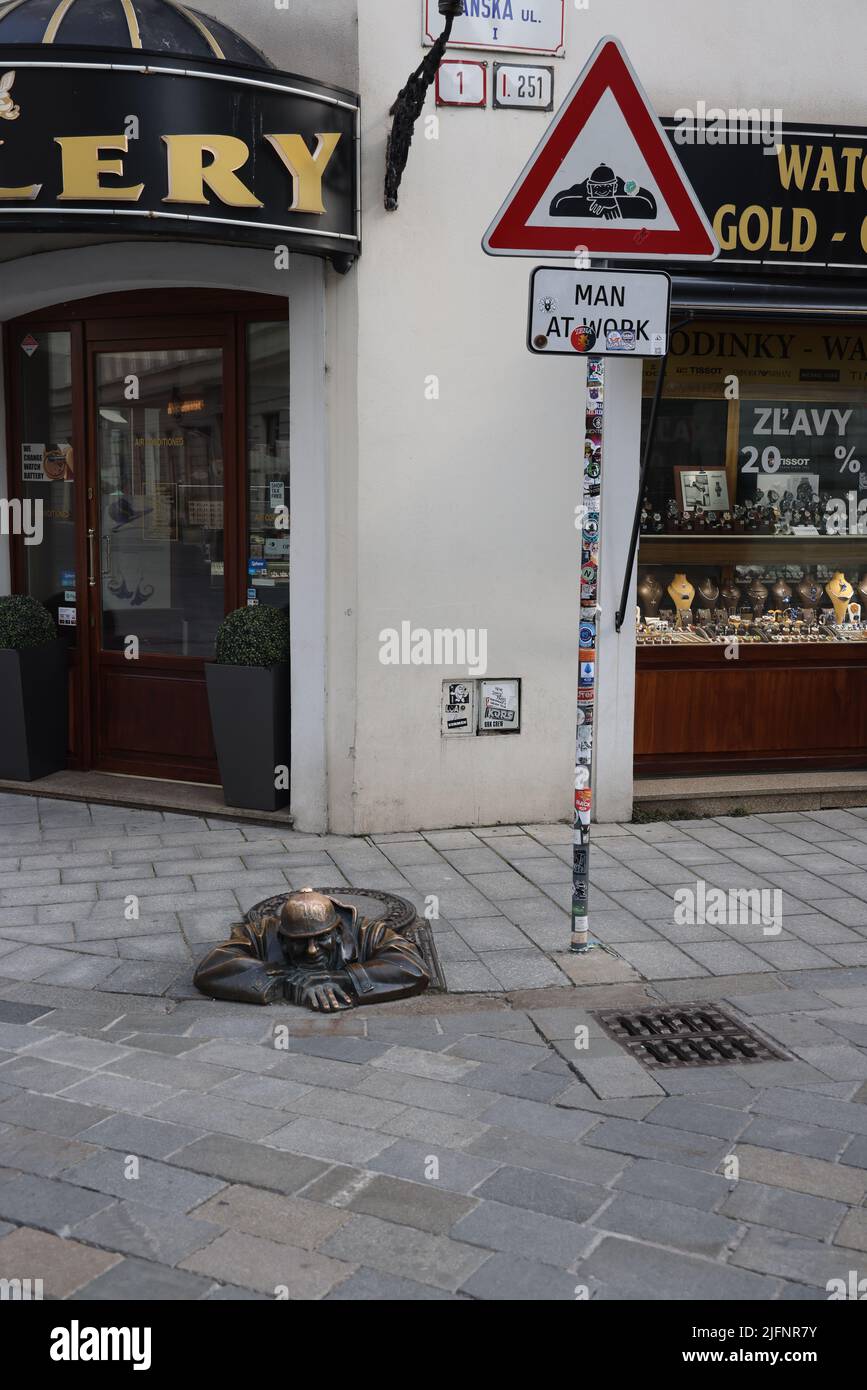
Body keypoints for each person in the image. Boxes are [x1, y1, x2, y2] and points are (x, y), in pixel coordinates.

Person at [193, 888, 430, 1012]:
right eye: (299, 941)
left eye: (322, 938)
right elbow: (212, 967)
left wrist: (340, 978)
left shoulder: (366, 932)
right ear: (283, 938)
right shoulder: (262, 933)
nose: (312, 950)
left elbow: (413, 967)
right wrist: (285, 980)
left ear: (338, 932)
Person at [550, 164, 657, 221]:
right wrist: (586, 207)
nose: (602, 191)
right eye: (596, 187)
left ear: (615, 186)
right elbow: (558, 203)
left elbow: (648, 202)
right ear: (589, 187)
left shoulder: (626, 189)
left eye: (607, 186)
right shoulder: (579, 190)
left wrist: (616, 203)